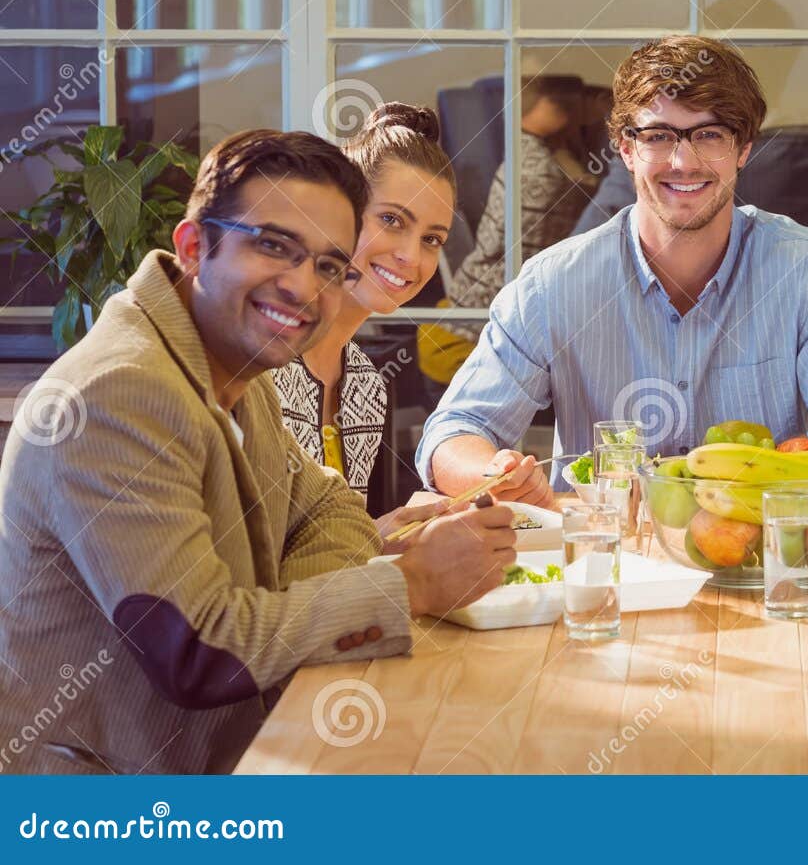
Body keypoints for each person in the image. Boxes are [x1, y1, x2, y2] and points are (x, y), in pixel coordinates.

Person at [0, 130, 513, 775]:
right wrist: (410, 582)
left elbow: (329, 504)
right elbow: (202, 651)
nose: (303, 288)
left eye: (329, 265)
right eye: (274, 245)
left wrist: (268, 603)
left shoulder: (235, 369)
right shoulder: (116, 393)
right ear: (193, 246)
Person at [418, 35, 808, 503]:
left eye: (709, 134)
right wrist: (494, 474)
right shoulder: (554, 283)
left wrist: (745, 494)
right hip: (607, 566)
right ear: (626, 149)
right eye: (659, 136)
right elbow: (455, 430)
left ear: (744, 148)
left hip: (758, 556)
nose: (683, 161)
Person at [275, 104, 455, 498]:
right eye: (391, 220)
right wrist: (382, 540)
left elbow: (338, 542)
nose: (411, 255)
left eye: (432, 239)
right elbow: (255, 545)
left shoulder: (366, 386)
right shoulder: (264, 364)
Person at [446, 75, 599, 313]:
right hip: (487, 315)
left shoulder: (523, 149)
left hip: (471, 298)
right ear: (551, 110)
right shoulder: (539, 172)